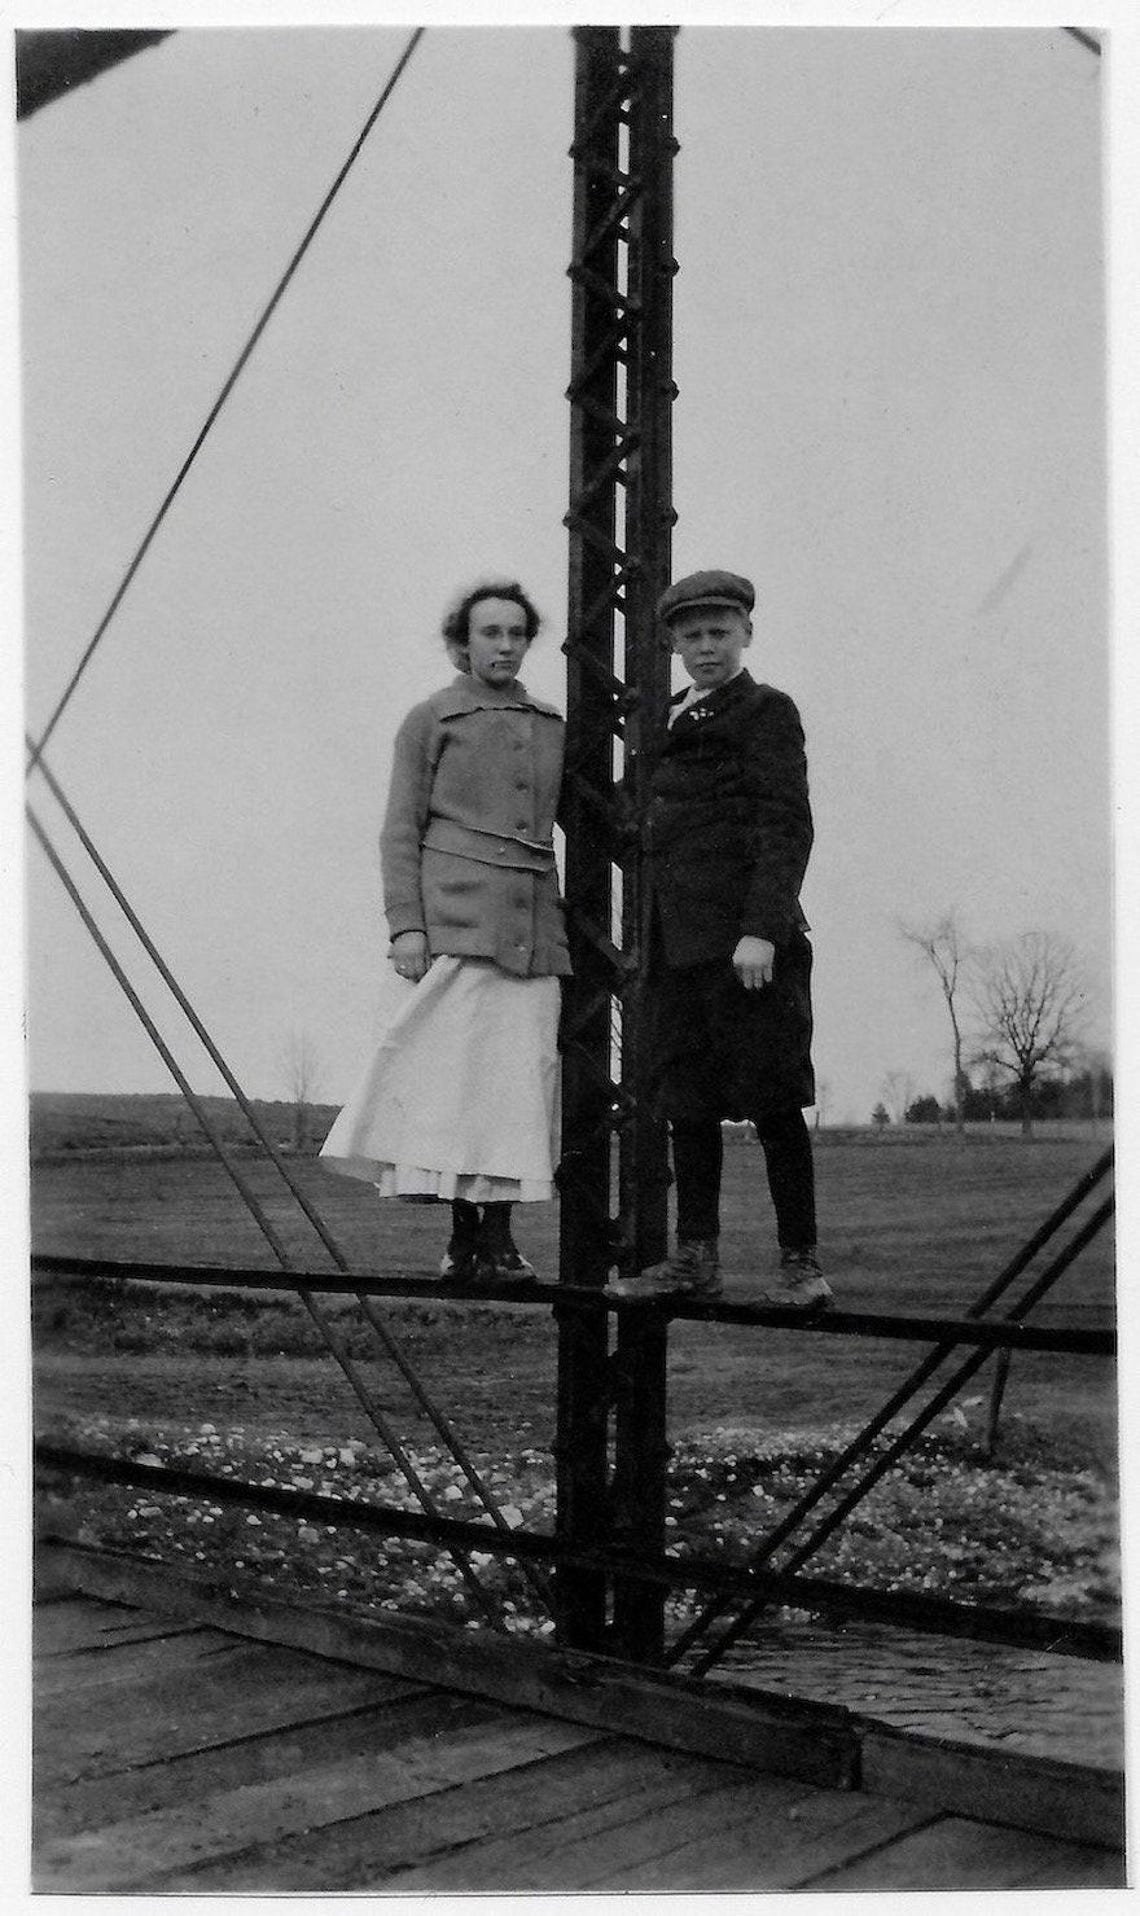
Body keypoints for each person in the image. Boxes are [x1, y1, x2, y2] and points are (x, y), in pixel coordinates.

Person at [320, 580, 570, 1283]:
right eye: (491, 633)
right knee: (450, 1087)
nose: (505, 646)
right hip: (454, 927)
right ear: (463, 643)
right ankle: (463, 1240)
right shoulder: (430, 719)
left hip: (531, 933)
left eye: (517, 633)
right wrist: (406, 926)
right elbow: (400, 830)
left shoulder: (551, 724)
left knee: (516, 1088)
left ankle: (501, 1239)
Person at [610, 569, 831, 1309]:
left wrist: (762, 930)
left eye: (720, 633)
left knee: (775, 1103)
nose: (707, 647)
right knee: (690, 1107)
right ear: (673, 644)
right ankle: (696, 1261)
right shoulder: (665, 722)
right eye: (692, 636)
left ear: (747, 634)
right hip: (676, 948)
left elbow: (786, 823)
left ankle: (802, 1268)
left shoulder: (766, 711)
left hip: (746, 949)